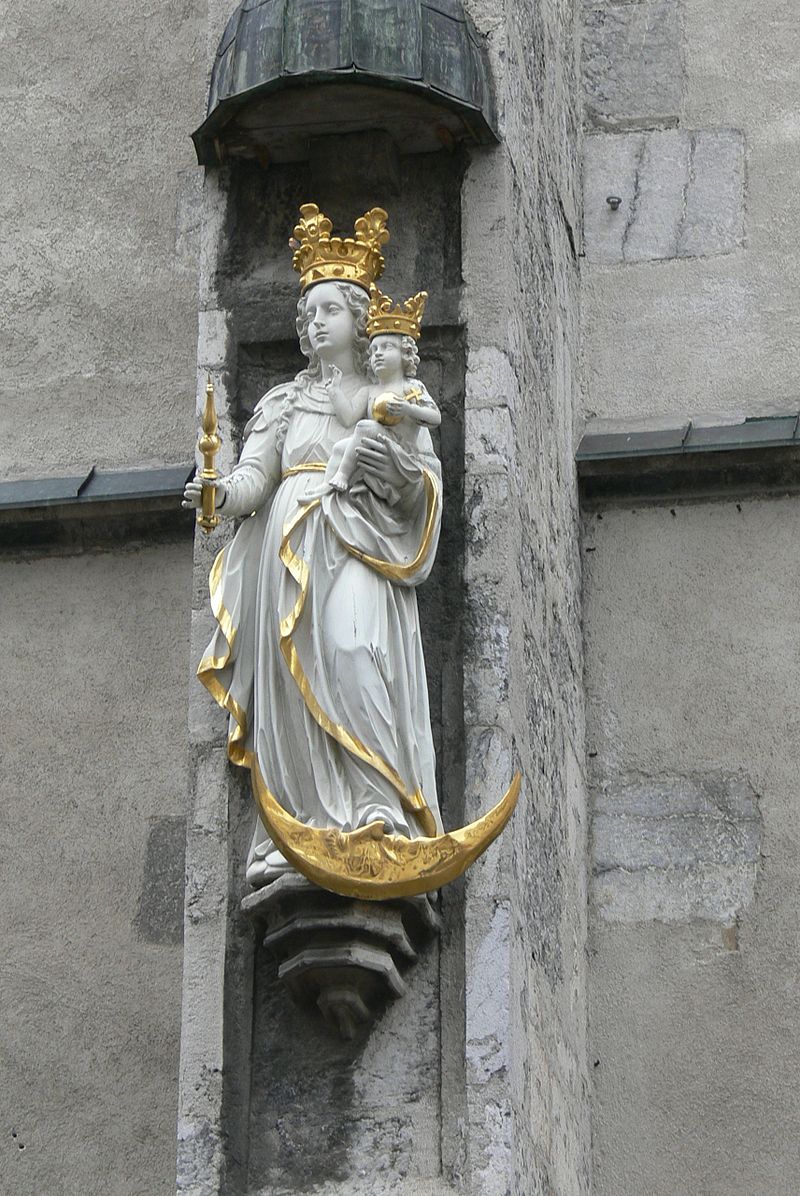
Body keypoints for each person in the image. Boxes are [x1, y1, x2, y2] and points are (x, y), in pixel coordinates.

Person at [183, 258, 444, 887]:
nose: (317, 321)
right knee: (291, 691)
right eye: (311, 312)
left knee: (354, 652)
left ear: (359, 323)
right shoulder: (286, 401)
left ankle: (380, 816)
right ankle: (302, 824)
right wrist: (217, 491)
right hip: (288, 554)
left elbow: (424, 483)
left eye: (331, 310)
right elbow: (254, 477)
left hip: (356, 545)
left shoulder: (389, 399)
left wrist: (397, 473)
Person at [326, 313, 441, 494]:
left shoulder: (411, 387)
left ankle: (342, 475)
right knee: (339, 448)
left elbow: (435, 418)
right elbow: (348, 418)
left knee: (365, 427)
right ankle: (326, 489)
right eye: (373, 351)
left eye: (386, 347)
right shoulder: (369, 391)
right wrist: (335, 392)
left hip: (403, 450)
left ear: (405, 354)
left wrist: (408, 409)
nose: (377, 354)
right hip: (377, 443)